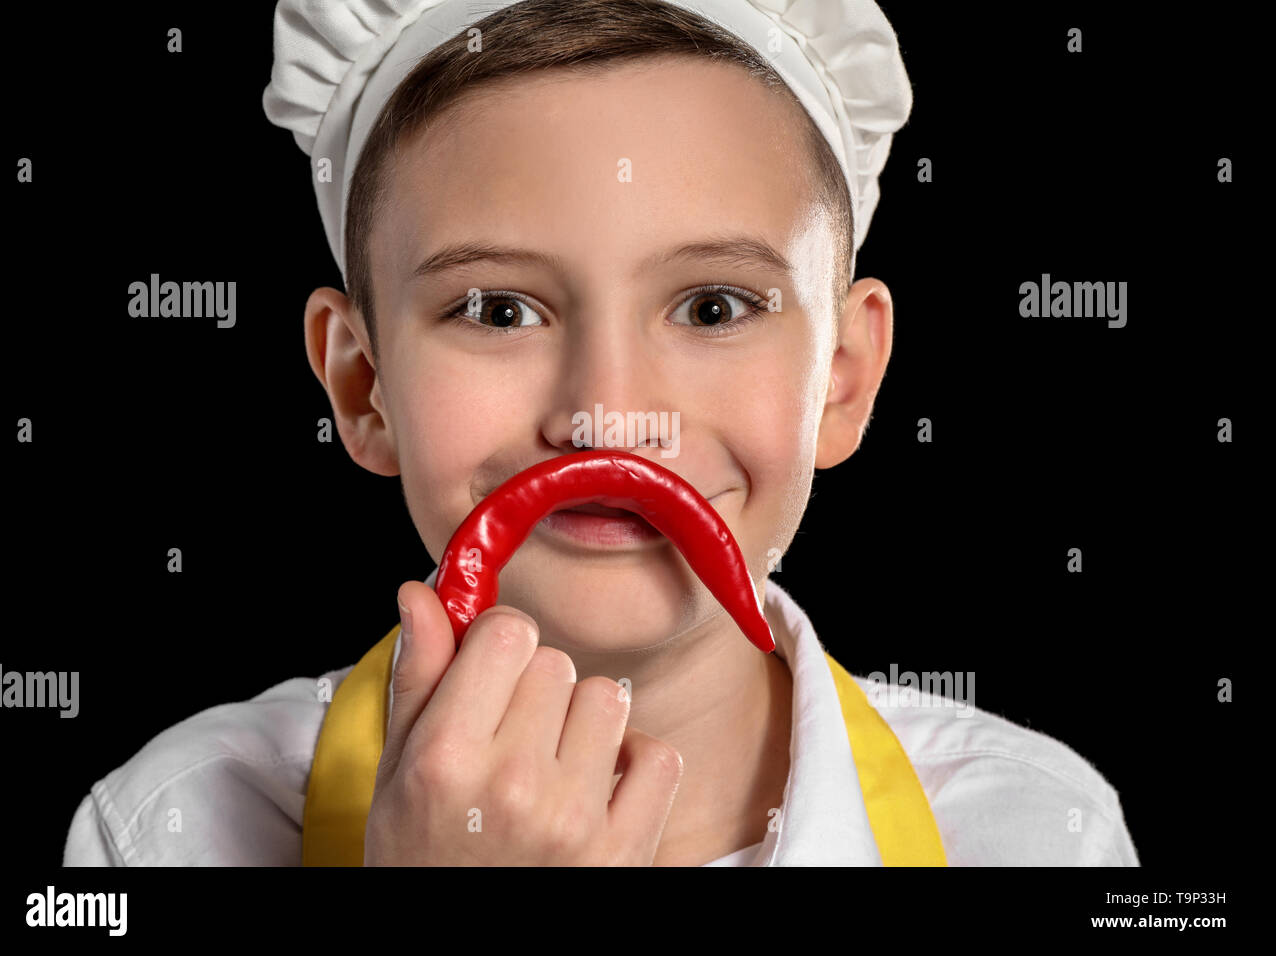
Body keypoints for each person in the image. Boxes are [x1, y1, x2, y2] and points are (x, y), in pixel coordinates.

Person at [63, 0, 1138, 866]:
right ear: (362, 382)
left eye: (713, 305)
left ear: (844, 376)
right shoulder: (165, 831)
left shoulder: (1040, 833)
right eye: (497, 309)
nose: (606, 416)